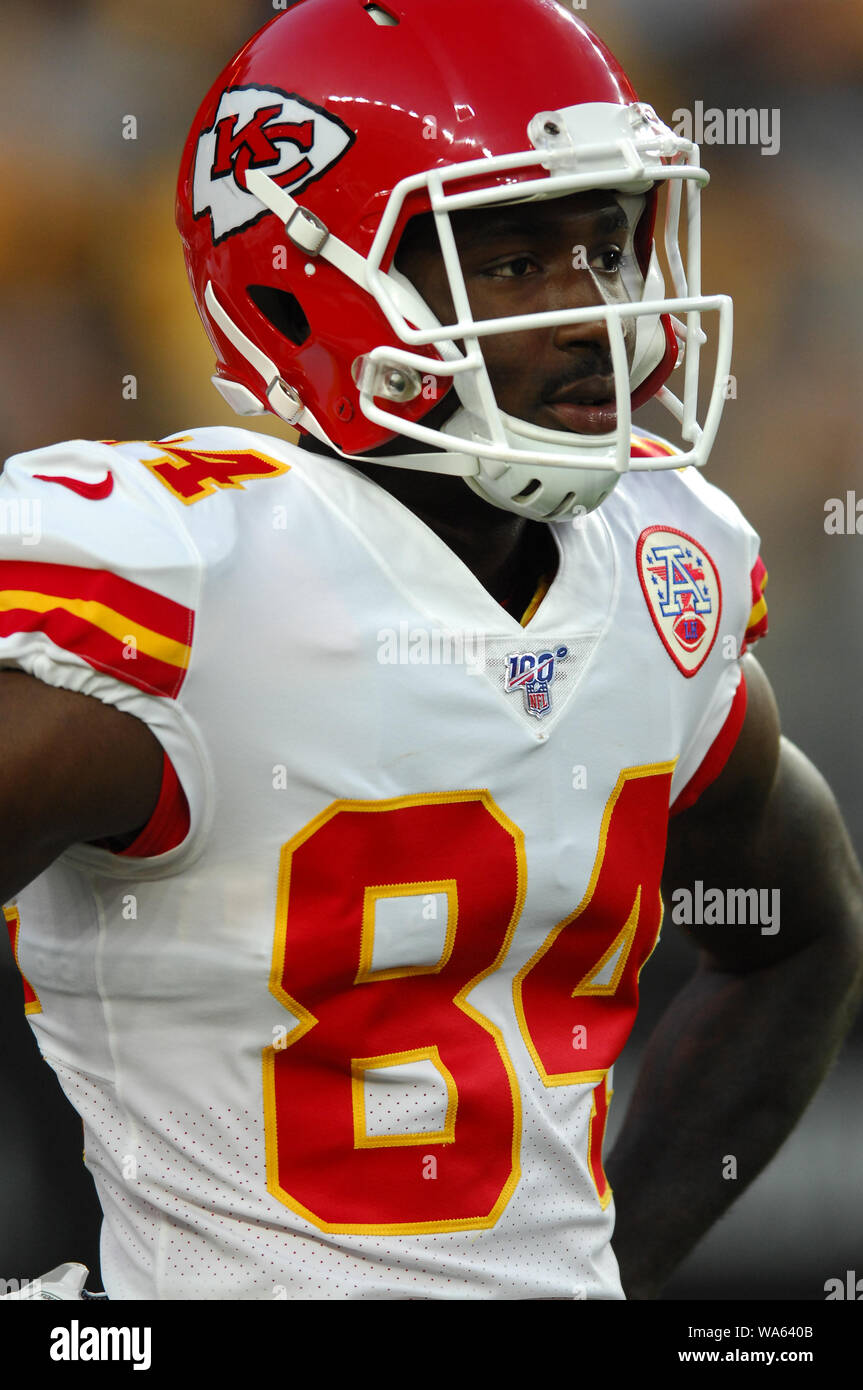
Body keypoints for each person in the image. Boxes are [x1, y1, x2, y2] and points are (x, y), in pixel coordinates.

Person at [1, 0, 861, 1301]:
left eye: (608, 244)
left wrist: (612, 1267)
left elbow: (802, 936)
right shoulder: (194, 590)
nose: (595, 312)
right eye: (513, 262)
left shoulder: (653, 563)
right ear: (302, 281)